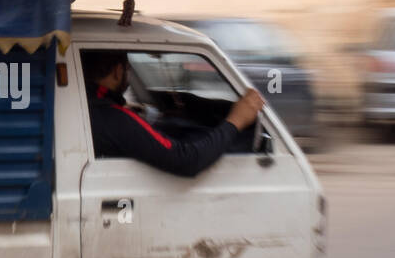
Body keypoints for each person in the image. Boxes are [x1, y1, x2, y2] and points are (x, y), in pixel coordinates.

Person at [81, 49, 265, 177]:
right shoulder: (113, 118)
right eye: (128, 69)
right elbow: (187, 160)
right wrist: (236, 121)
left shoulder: (90, 106)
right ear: (118, 71)